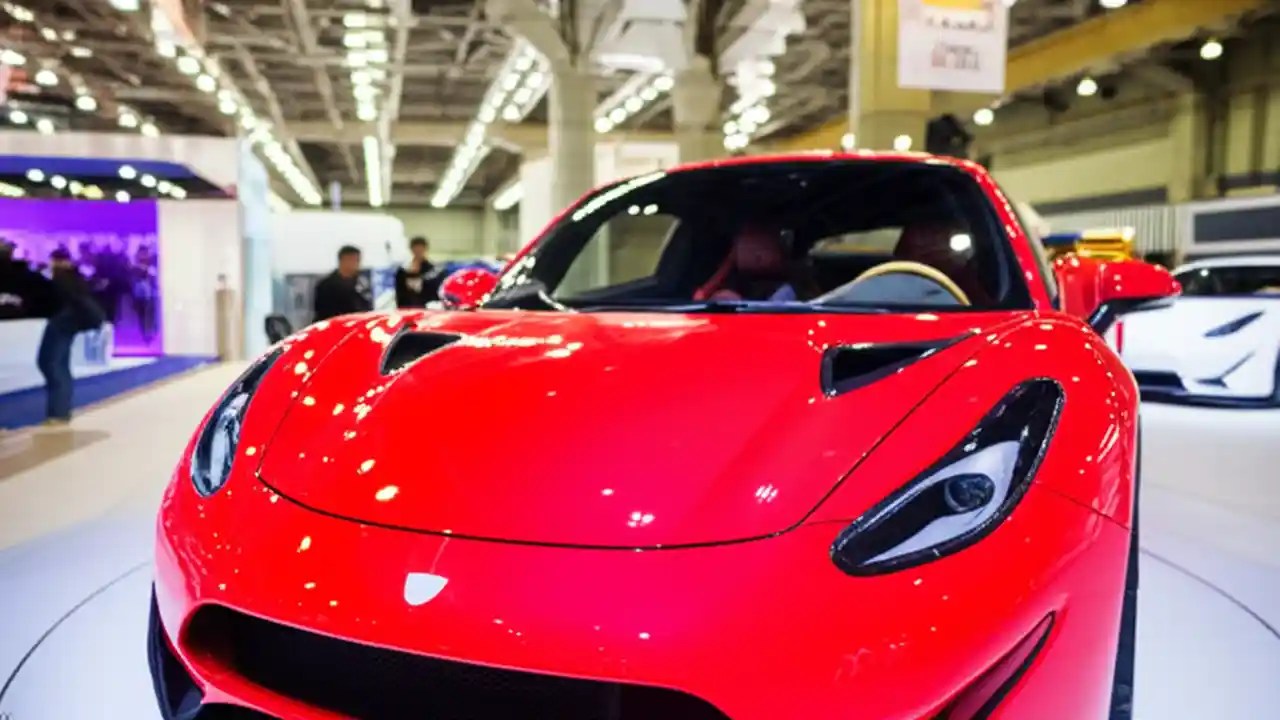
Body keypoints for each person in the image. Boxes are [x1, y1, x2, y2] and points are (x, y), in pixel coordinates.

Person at [37, 248, 105, 425]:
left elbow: (53, 301)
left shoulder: (61, 279)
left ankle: (58, 413)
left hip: (62, 323)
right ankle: (60, 411)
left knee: (50, 363)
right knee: (59, 363)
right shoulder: (76, 277)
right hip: (70, 324)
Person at [312, 245, 372, 322]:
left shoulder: (362, 283)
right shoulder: (327, 286)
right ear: (344, 260)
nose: (358, 264)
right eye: (355, 260)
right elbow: (325, 313)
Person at [394, 236, 442, 308]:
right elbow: (400, 293)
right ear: (411, 250)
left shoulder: (435, 270)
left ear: (425, 249)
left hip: (430, 308)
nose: (418, 251)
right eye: (416, 249)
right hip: (409, 309)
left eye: (421, 249)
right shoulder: (403, 271)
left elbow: (438, 291)